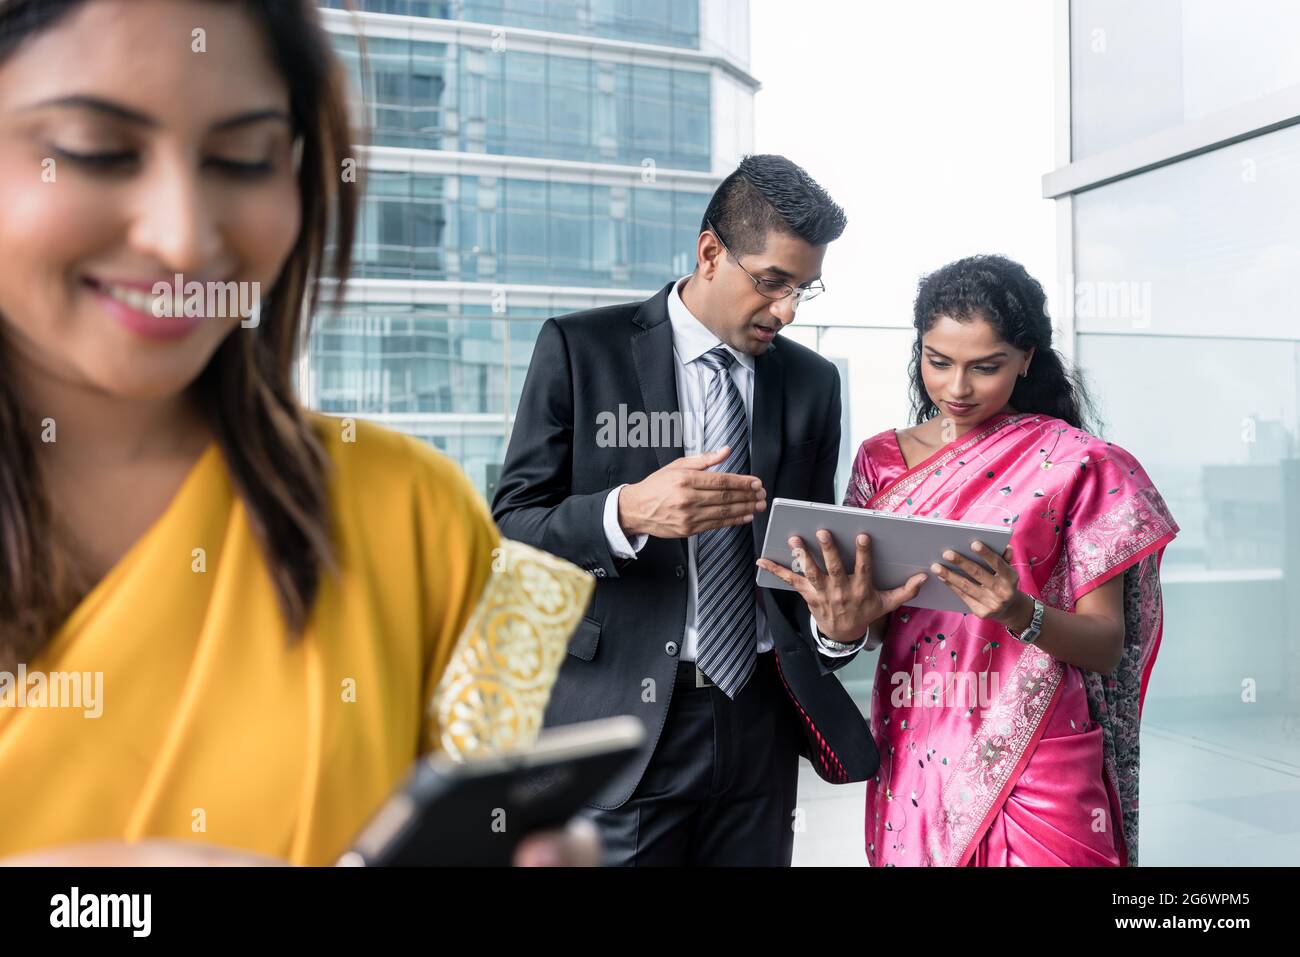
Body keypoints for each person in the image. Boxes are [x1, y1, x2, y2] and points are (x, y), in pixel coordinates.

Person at [0, 0, 594, 867]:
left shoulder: (413, 513)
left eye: (244, 159)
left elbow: (481, 817)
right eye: (96, 150)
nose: (181, 239)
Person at [493, 154, 927, 865]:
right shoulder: (581, 348)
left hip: (759, 717)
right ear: (709, 254)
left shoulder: (811, 382)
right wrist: (626, 511)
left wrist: (838, 631)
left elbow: (803, 561)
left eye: (803, 290)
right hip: (621, 723)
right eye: (773, 282)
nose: (786, 310)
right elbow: (512, 526)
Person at [762, 255, 1178, 866]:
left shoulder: (1080, 464)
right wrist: (840, 624)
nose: (957, 389)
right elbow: (875, 627)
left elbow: (1107, 644)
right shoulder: (882, 462)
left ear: (1027, 358)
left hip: (1039, 749)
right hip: (916, 736)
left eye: (986, 368)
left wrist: (1018, 611)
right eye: (939, 362)